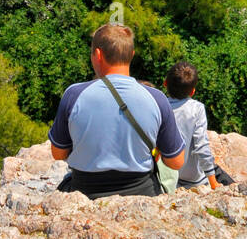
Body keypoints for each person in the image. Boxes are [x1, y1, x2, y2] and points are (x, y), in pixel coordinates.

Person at [49, 24, 185, 199]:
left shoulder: (73, 95)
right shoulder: (157, 99)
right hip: (140, 194)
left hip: (85, 192)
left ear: (98, 55)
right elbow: (176, 162)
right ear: (132, 55)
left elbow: (58, 153)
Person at [164, 60, 217, 191]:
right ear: (192, 91)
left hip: (166, 176)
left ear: (165, 84)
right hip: (193, 179)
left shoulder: (160, 105)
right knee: (223, 175)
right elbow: (202, 146)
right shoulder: (197, 109)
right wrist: (214, 183)